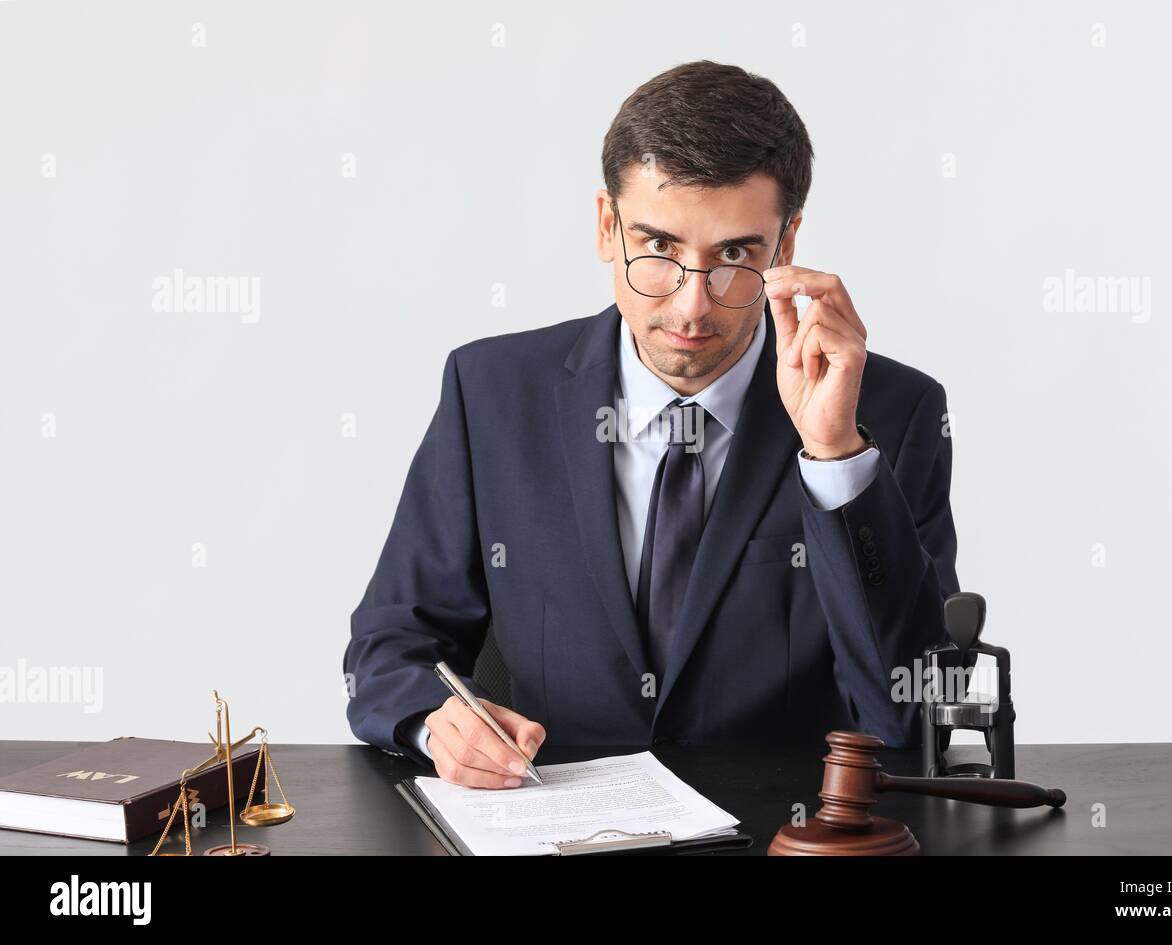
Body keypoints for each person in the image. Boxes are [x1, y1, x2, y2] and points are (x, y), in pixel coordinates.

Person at [344, 60, 959, 788]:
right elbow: (389, 648)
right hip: (546, 824)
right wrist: (432, 721)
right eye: (660, 247)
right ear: (608, 226)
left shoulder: (892, 413)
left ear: (786, 247)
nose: (693, 306)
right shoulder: (491, 393)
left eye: (734, 255)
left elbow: (912, 715)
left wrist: (832, 455)